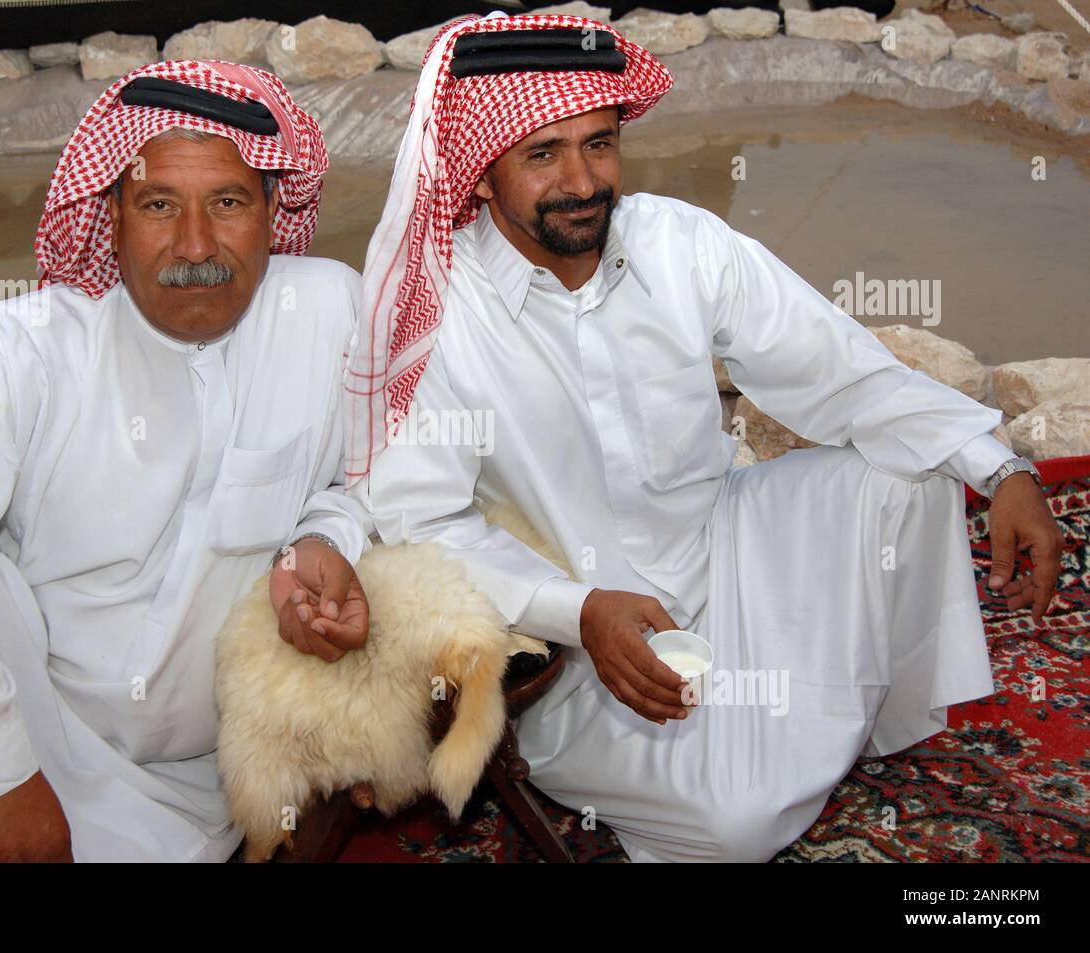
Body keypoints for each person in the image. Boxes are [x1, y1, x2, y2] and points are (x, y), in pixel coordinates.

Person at [345, 12, 1067, 862]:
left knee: (912, 476)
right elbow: (424, 527)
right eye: (543, 154)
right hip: (582, 641)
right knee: (736, 828)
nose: (582, 182)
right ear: (481, 169)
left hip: (725, 540)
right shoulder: (441, 315)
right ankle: (758, 745)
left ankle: (871, 720)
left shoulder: (681, 244)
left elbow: (836, 369)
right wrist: (577, 611)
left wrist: (1001, 464)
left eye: (599, 144)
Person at [0, 60, 372, 862]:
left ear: (274, 209)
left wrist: (322, 538)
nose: (196, 245)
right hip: (21, 720)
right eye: (159, 204)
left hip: (183, 781)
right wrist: (0, 776)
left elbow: (372, 482)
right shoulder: (27, 345)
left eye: (230, 202)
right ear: (113, 214)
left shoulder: (328, 313)